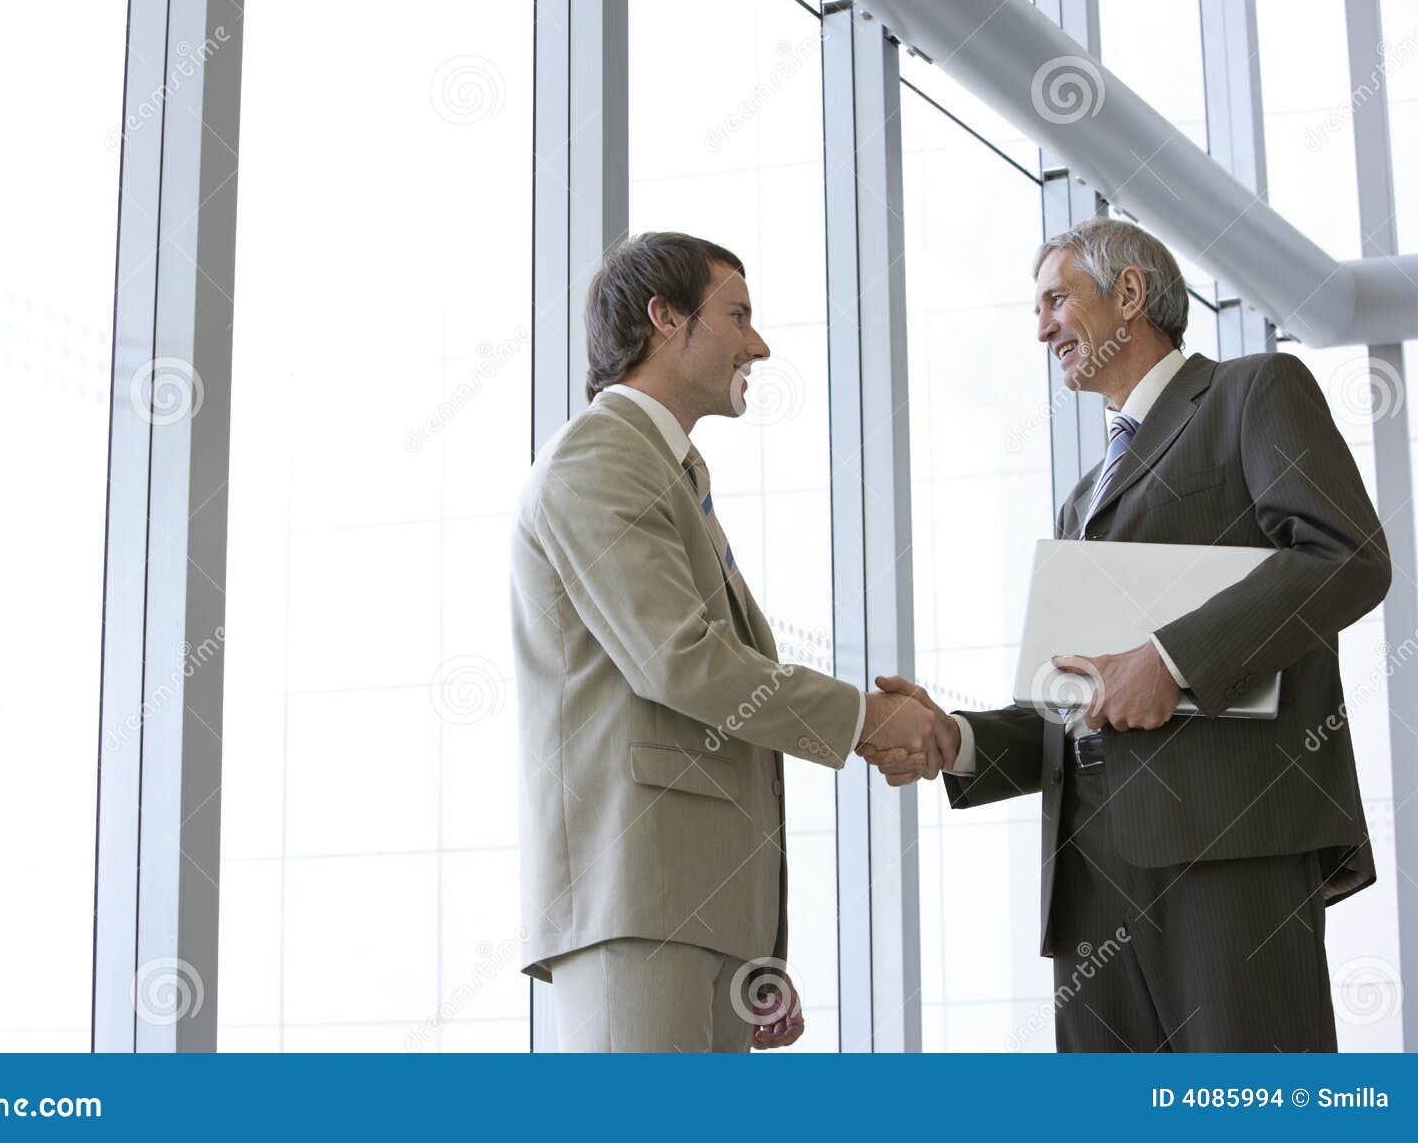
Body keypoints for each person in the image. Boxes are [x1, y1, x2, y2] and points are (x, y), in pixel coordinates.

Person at [878, 216, 1390, 1051]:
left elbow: (1348, 555)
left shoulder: (1253, 391)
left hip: (1227, 845)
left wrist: (1173, 660)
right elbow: (1078, 699)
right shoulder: (1081, 498)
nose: (1040, 327)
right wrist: (958, 737)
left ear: (1129, 294)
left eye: (1055, 299)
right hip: (1088, 871)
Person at [509, 231, 950, 1052]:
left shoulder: (671, 470)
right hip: (635, 905)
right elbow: (679, 659)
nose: (759, 343)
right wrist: (864, 720)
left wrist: (760, 953)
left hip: (694, 914)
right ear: (664, 318)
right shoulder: (599, 458)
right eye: (738, 314)